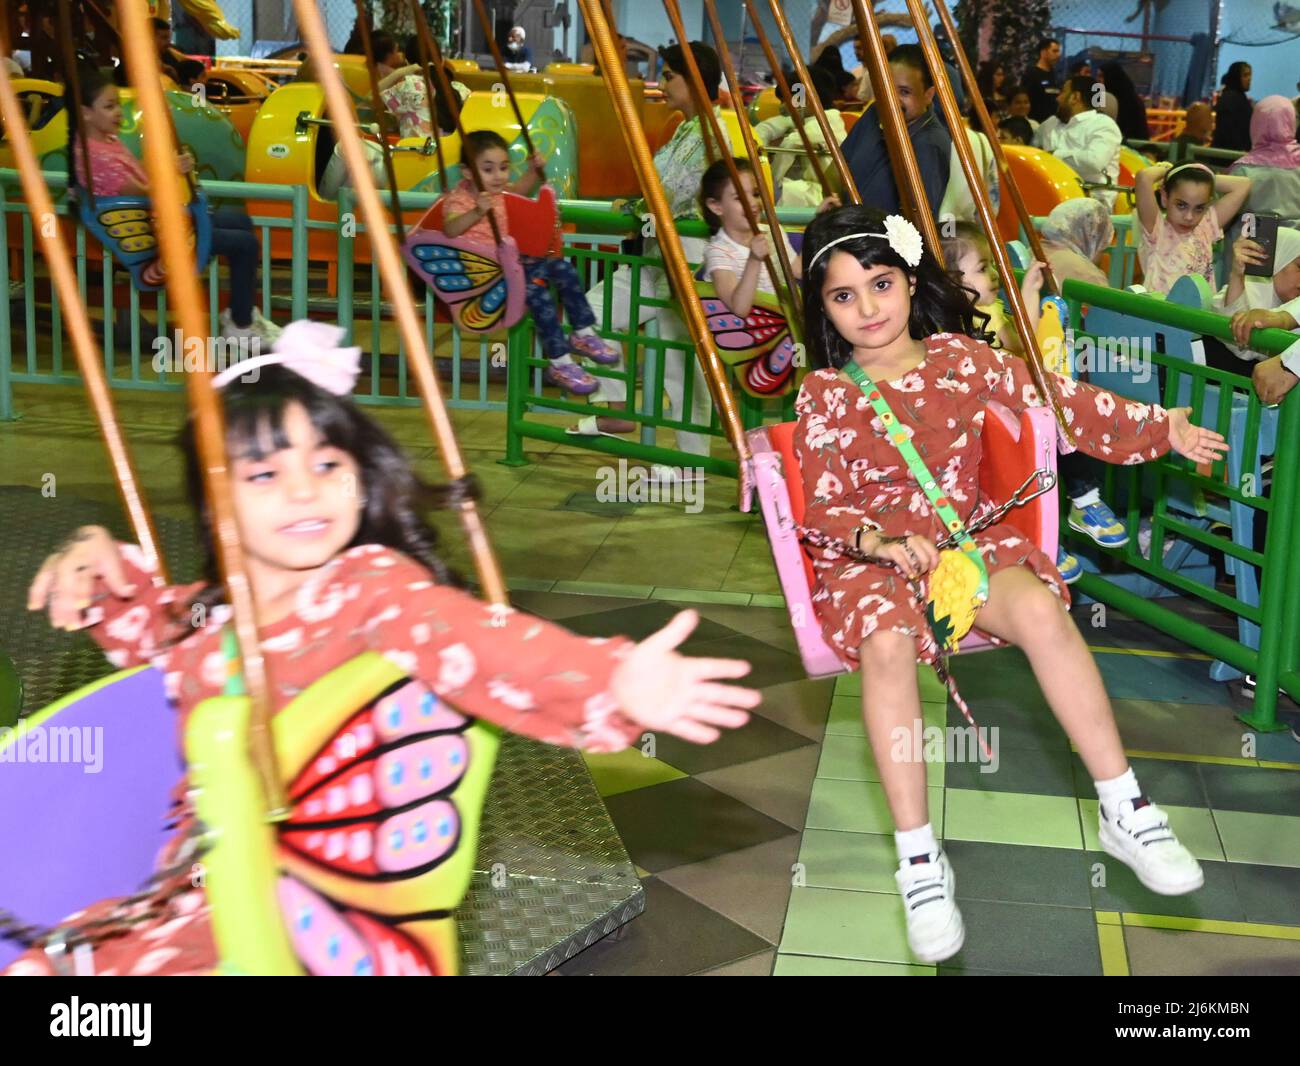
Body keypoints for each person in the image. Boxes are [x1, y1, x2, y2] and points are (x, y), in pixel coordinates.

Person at [6, 321, 757, 976]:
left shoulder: (368, 589)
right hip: (198, 885)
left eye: (327, 463)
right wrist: (93, 555)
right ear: (217, 501)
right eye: (265, 473)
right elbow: (155, 630)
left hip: (307, 906)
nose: (305, 491)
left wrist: (610, 678)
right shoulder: (220, 609)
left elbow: (474, 640)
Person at [794, 203, 1224, 963]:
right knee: (888, 646)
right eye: (843, 295)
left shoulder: (963, 358)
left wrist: (1162, 428)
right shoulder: (826, 394)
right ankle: (919, 861)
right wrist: (878, 541)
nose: (867, 308)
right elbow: (822, 502)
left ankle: (1125, 806)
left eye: (881, 283)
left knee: (1043, 613)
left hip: (965, 542)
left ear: (909, 280)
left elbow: (1059, 402)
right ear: (822, 306)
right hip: (873, 559)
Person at [572, 41, 734, 468]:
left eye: (669, 76)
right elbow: (659, 191)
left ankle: (690, 461)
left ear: (696, 81)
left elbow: (676, 194)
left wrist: (638, 206)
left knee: (682, 363)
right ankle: (617, 406)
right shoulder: (686, 127)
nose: (662, 84)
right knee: (590, 312)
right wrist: (637, 205)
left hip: (690, 260)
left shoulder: (718, 132)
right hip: (655, 255)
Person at [72, 66, 280, 343]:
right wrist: (168, 168)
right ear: (86, 112)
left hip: (156, 220)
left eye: (118, 105)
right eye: (109, 107)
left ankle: (240, 312)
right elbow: (144, 191)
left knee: (240, 221)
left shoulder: (108, 142)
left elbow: (142, 177)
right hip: (149, 233)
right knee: (245, 244)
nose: (119, 112)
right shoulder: (95, 157)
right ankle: (240, 326)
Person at [441, 131, 618, 394]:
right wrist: (477, 211)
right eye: (488, 169)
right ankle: (559, 361)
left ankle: (583, 331)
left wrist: (533, 172)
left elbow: (518, 192)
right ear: (467, 172)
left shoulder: (499, 193)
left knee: (564, 269)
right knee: (538, 294)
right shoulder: (460, 199)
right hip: (486, 277)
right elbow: (451, 229)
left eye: (504, 168)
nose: (498, 176)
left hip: (514, 266)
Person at [841, 44, 952, 220]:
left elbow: (920, 222)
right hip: (844, 226)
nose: (892, 100)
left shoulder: (930, 144)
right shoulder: (875, 113)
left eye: (904, 92)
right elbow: (840, 165)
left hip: (881, 244)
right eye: (887, 88)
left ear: (928, 95)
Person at [1133, 160, 1251, 295]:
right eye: (1181, 205)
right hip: (1160, 313)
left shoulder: (1206, 226)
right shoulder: (1157, 230)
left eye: (1199, 208)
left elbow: (1243, 185)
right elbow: (1144, 177)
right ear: (1165, 197)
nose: (1189, 217)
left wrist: (1202, 176)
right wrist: (1170, 171)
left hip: (1198, 313)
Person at [753, 66, 844, 207]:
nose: (783, 107)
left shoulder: (810, 133)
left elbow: (774, 180)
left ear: (804, 98)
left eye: (789, 100)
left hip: (816, 199)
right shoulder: (828, 124)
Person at [1038, 75, 1123, 210]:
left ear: (1075, 97)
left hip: (1090, 204)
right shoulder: (1050, 124)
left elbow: (1094, 162)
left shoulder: (1103, 124)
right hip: (1048, 195)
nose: (1057, 98)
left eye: (1063, 92)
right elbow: (1033, 153)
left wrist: (1053, 156)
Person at [1100, 61, 1150, 141]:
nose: (1099, 80)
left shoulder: (1130, 102)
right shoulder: (1104, 97)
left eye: (1101, 76)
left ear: (1111, 77)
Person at [1213, 62, 1254, 152]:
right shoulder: (1229, 99)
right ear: (1236, 77)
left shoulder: (1240, 98)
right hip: (1227, 155)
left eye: (1250, 75)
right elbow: (1228, 131)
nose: (1249, 79)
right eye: (1245, 75)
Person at [1025, 37, 1062, 123]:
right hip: (1037, 122)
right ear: (1043, 52)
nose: (1058, 55)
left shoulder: (1055, 74)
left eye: (1058, 51)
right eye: (1054, 51)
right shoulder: (1032, 74)